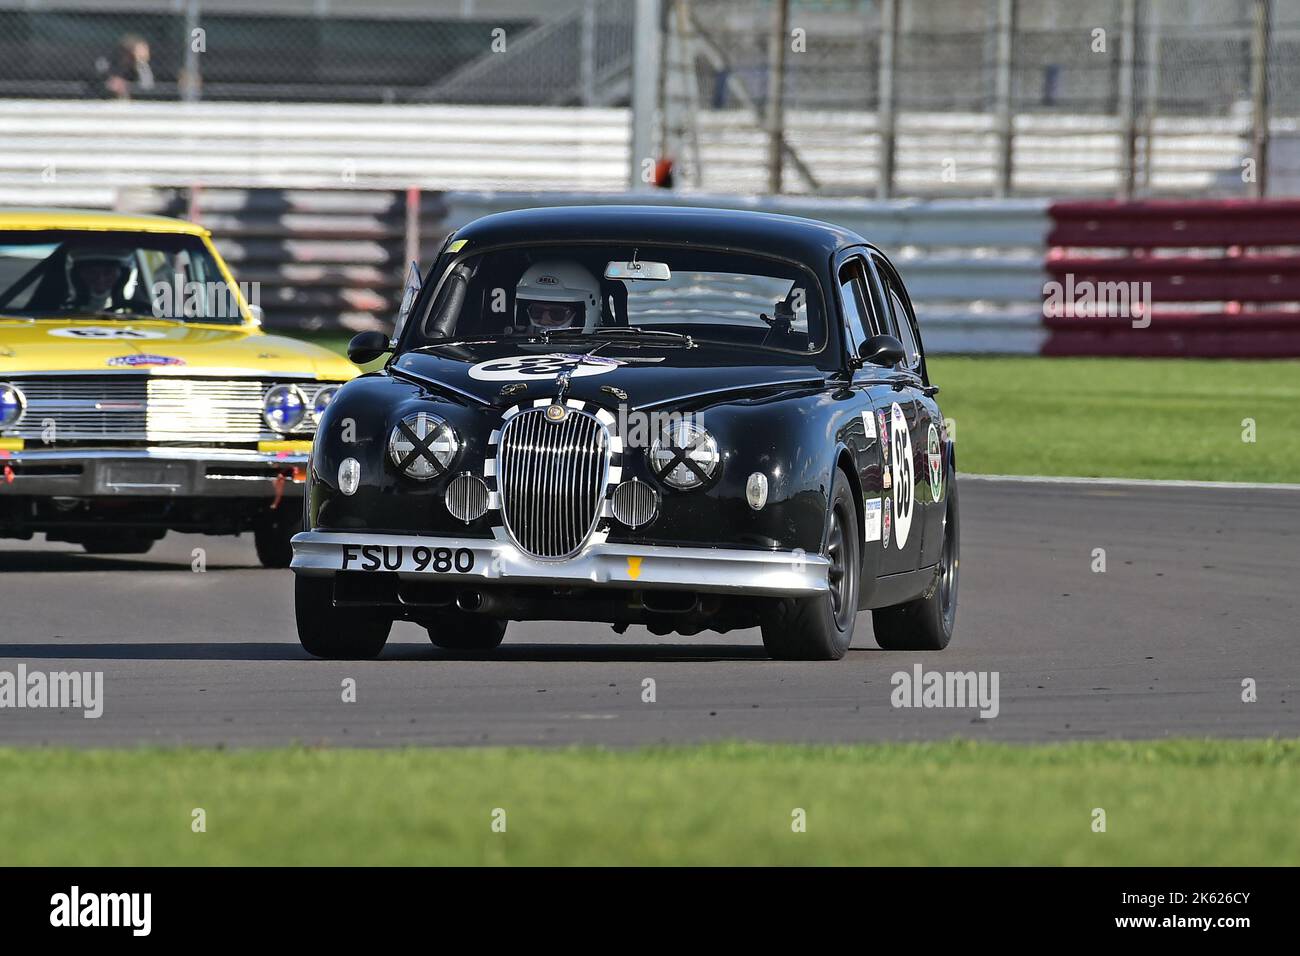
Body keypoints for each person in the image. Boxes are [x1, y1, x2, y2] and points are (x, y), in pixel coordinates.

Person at [514, 260, 602, 334]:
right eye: (537, 312)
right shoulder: (510, 350)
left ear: (580, 317)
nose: (544, 320)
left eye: (557, 313)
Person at [66, 247, 136, 313]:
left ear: (122, 276)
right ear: (77, 276)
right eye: (91, 272)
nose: (100, 279)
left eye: (108, 272)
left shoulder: (137, 314)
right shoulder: (61, 313)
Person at [97, 34, 155, 101]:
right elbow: (98, 80)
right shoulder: (108, 62)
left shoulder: (142, 66)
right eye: (141, 50)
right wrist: (113, 81)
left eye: (146, 49)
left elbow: (147, 86)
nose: (145, 53)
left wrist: (127, 86)